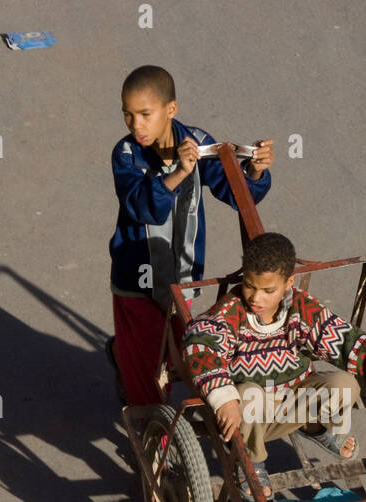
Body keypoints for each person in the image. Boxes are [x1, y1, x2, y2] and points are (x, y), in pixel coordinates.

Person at [182, 232, 366, 500]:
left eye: (267, 290)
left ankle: (313, 426)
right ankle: (250, 460)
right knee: (250, 394)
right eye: (249, 286)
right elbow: (200, 343)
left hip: (293, 401)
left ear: (288, 283)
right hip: (249, 414)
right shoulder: (229, 313)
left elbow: (349, 342)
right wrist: (224, 398)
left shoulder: (300, 309)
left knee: (345, 385)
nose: (256, 298)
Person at [107, 65, 274, 406]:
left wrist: (254, 172)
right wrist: (180, 172)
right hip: (137, 281)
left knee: (185, 349)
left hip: (182, 277)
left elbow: (236, 193)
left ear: (171, 110)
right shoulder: (126, 155)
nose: (135, 125)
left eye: (144, 114)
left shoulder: (197, 142)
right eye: (128, 115)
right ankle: (155, 443)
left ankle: (121, 352)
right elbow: (142, 208)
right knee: (148, 378)